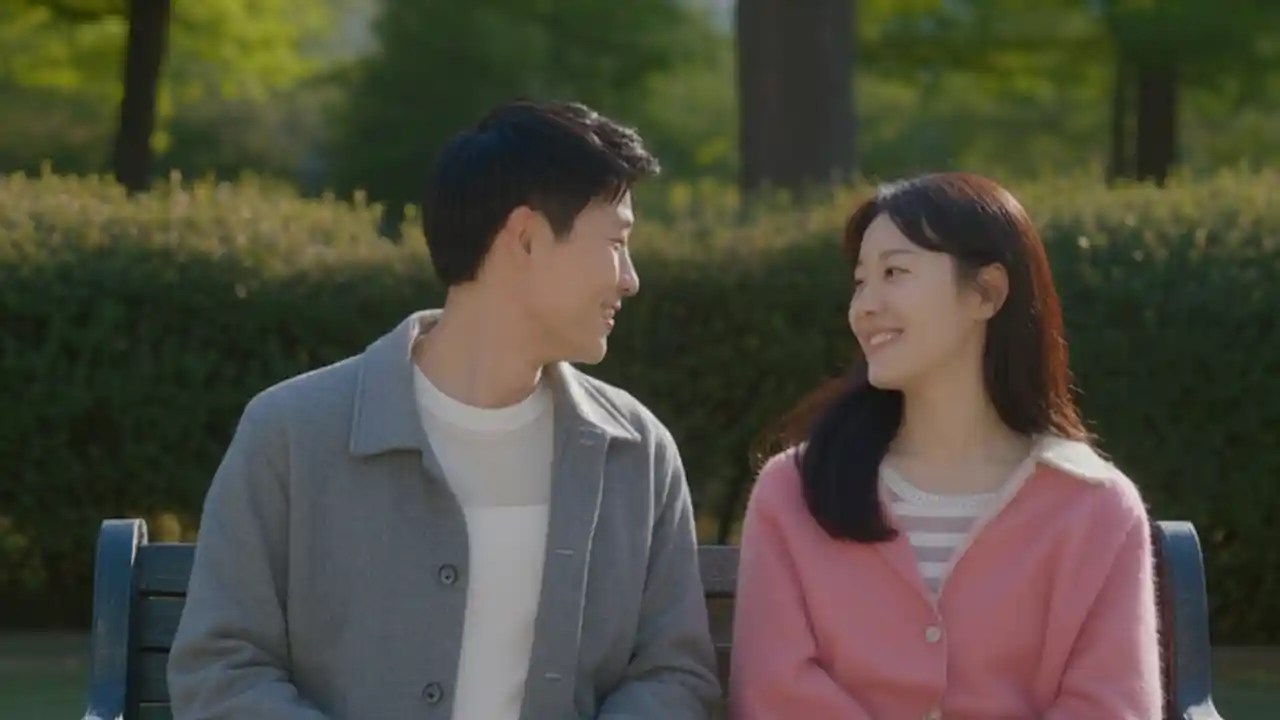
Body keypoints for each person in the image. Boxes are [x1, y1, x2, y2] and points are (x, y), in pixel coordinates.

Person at [168, 99, 720, 719]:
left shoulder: (637, 453)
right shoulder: (292, 435)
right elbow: (220, 666)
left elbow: (672, 674)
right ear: (526, 237)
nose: (630, 278)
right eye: (617, 242)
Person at [727, 172, 1161, 719]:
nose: (864, 306)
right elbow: (774, 693)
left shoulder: (1095, 507)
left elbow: (1110, 706)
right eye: (860, 282)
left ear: (987, 292)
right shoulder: (794, 489)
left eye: (894, 272)